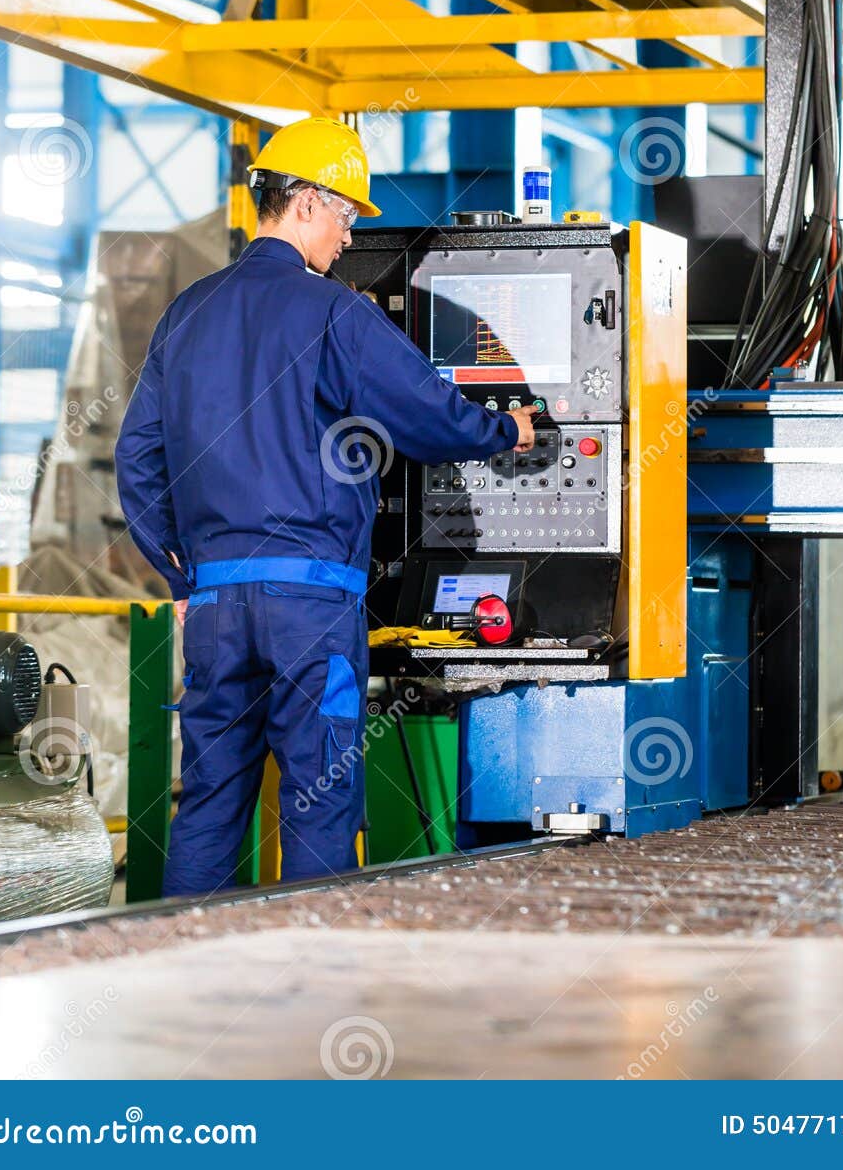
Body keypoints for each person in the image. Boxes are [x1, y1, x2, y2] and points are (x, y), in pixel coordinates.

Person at [116, 116, 535, 895]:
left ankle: (173, 976)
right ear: (304, 202)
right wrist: (503, 429)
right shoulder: (333, 313)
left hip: (214, 605)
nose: (347, 237)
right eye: (345, 215)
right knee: (318, 797)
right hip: (311, 607)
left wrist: (180, 578)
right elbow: (425, 413)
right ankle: (314, 985)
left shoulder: (186, 313)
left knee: (209, 799)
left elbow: (137, 459)